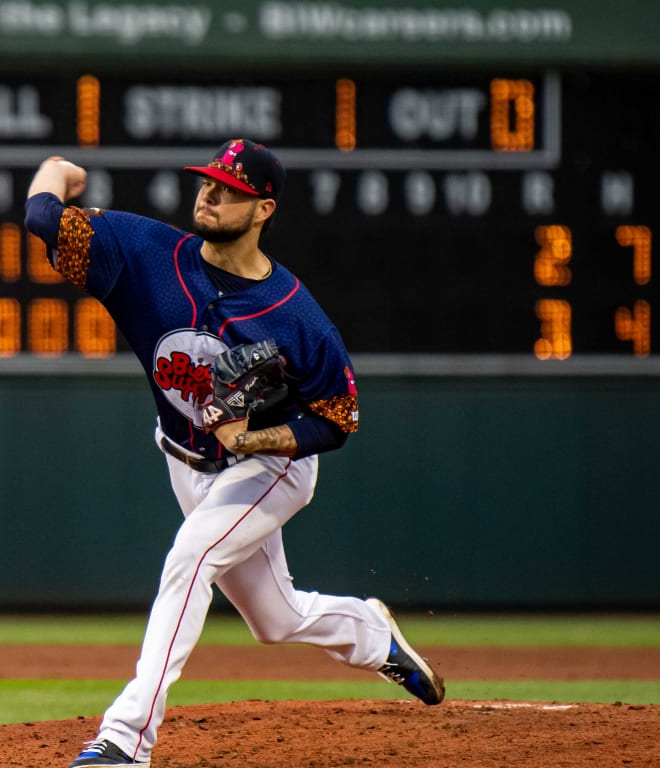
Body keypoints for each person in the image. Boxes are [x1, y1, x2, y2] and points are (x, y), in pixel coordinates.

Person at [23, 139, 446, 768]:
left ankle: (126, 738)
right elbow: (43, 218)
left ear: (264, 209)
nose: (211, 194)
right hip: (184, 459)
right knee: (274, 619)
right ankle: (371, 634)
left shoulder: (297, 317)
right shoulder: (144, 254)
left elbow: (337, 419)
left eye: (231, 190)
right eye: (208, 182)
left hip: (270, 468)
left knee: (190, 558)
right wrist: (55, 170)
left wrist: (251, 440)